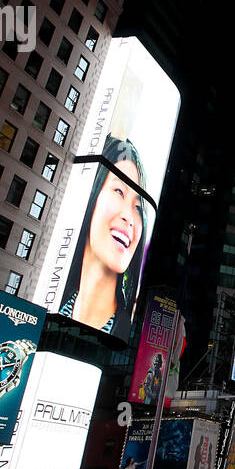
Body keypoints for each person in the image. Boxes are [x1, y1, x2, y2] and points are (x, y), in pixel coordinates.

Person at [59, 135, 148, 337]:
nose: (129, 217)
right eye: (119, 191)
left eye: (138, 207)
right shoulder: (52, 302)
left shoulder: (130, 330)